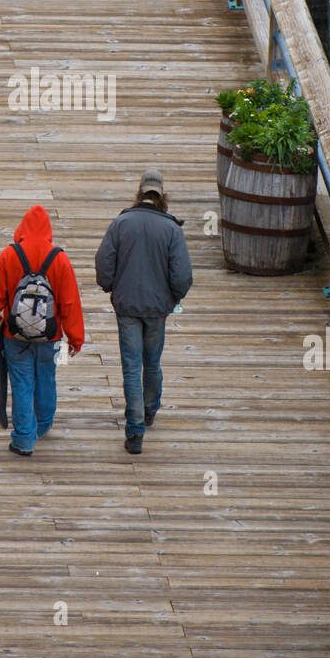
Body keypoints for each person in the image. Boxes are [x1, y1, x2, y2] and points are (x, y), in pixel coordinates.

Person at [95, 168, 192, 455]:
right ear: (162, 197)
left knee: (131, 366)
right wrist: (172, 300)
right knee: (152, 362)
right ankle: (150, 409)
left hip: (126, 306)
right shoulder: (172, 229)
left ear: (139, 193)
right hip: (157, 309)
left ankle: (135, 431)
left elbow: (103, 263)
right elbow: (182, 275)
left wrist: (110, 287)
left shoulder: (121, 223)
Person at [0, 204, 84, 457]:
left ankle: (24, 439)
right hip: (50, 336)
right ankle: (43, 422)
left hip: (14, 335)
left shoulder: (9, 255)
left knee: (21, 382)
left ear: (22, 228)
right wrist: (75, 337)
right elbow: (69, 302)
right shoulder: (59, 258)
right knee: (46, 377)